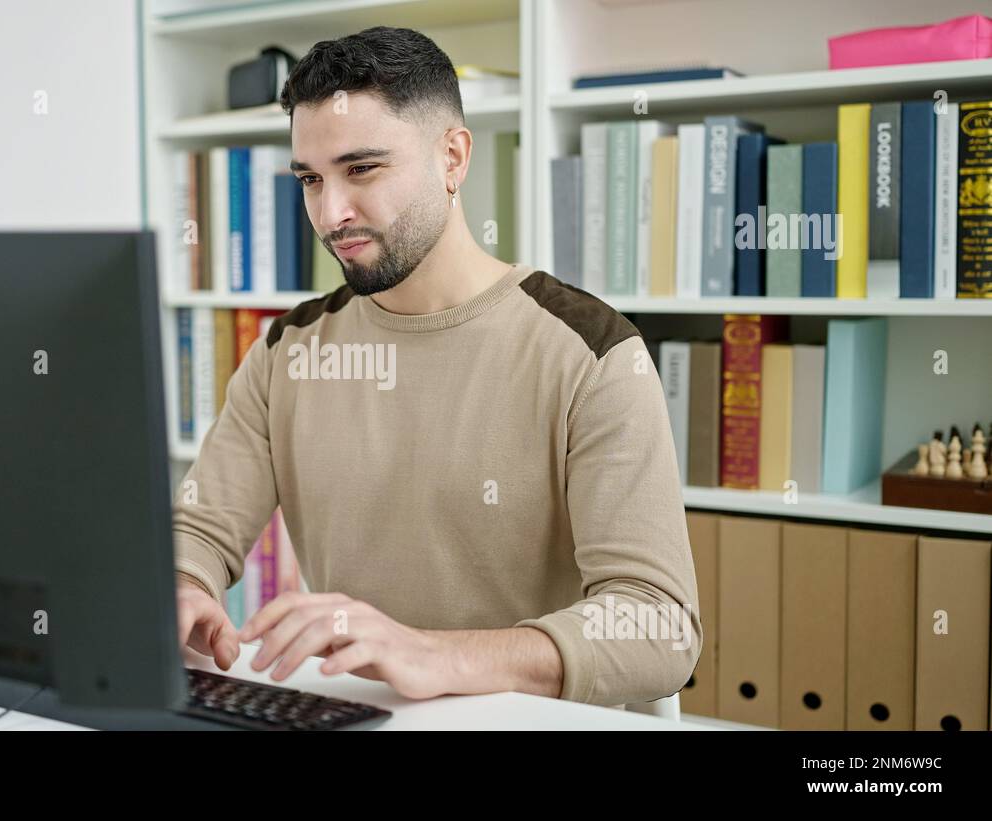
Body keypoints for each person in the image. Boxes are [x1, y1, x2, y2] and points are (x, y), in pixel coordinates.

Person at [173, 26, 700, 706]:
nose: (331, 213)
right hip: (354, 715)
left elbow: (659, 623)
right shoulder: (287, 350)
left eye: (361, 169)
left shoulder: (592, 350)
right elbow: (201, 527)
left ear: (452, 157)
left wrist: (436, 653)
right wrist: (186, 588)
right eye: (310, 179)